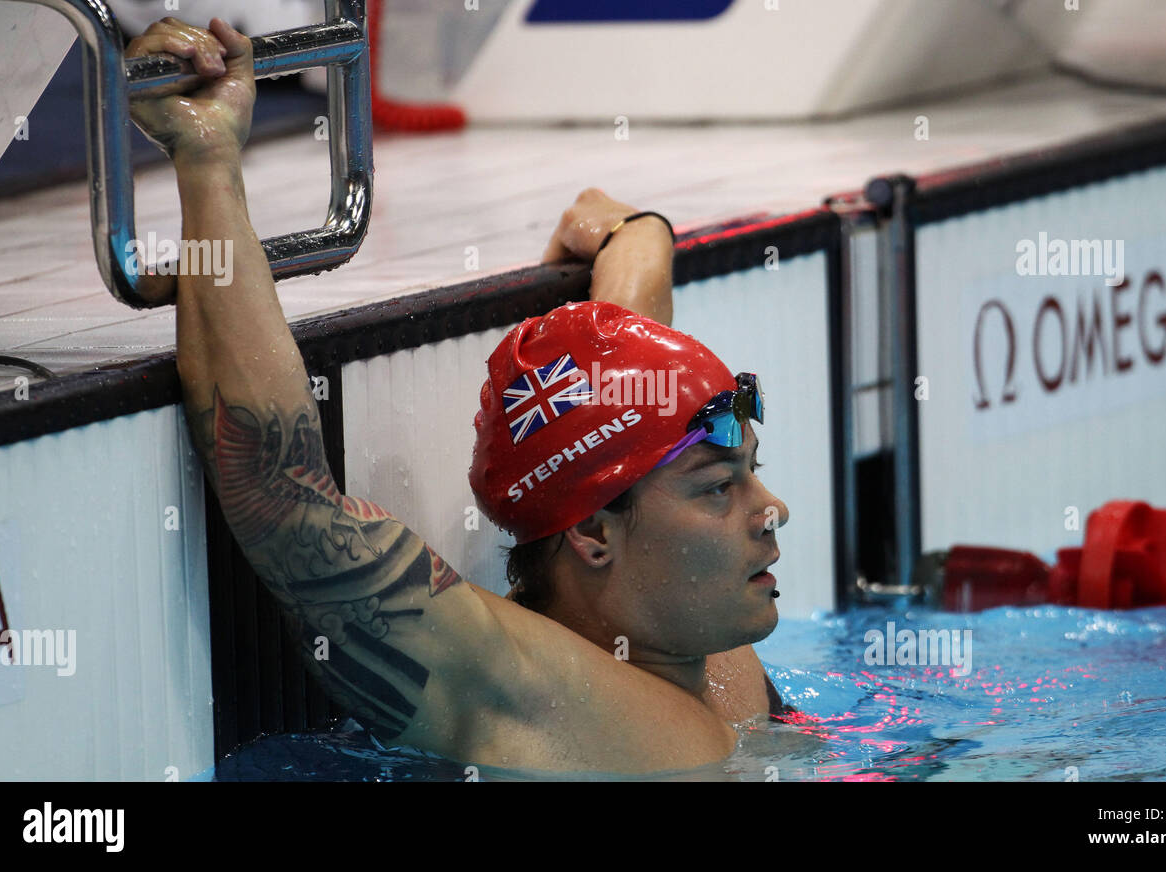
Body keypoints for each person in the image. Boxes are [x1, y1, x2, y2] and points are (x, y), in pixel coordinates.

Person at [127, 17, 790, 774]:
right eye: (718, 489)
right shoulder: (529, 690)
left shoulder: (694, 616)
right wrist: (207, 162)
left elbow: (625, 405)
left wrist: (640, 236)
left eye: (749, 472)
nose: (770, 508)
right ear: (595, 536)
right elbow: (283, 496)